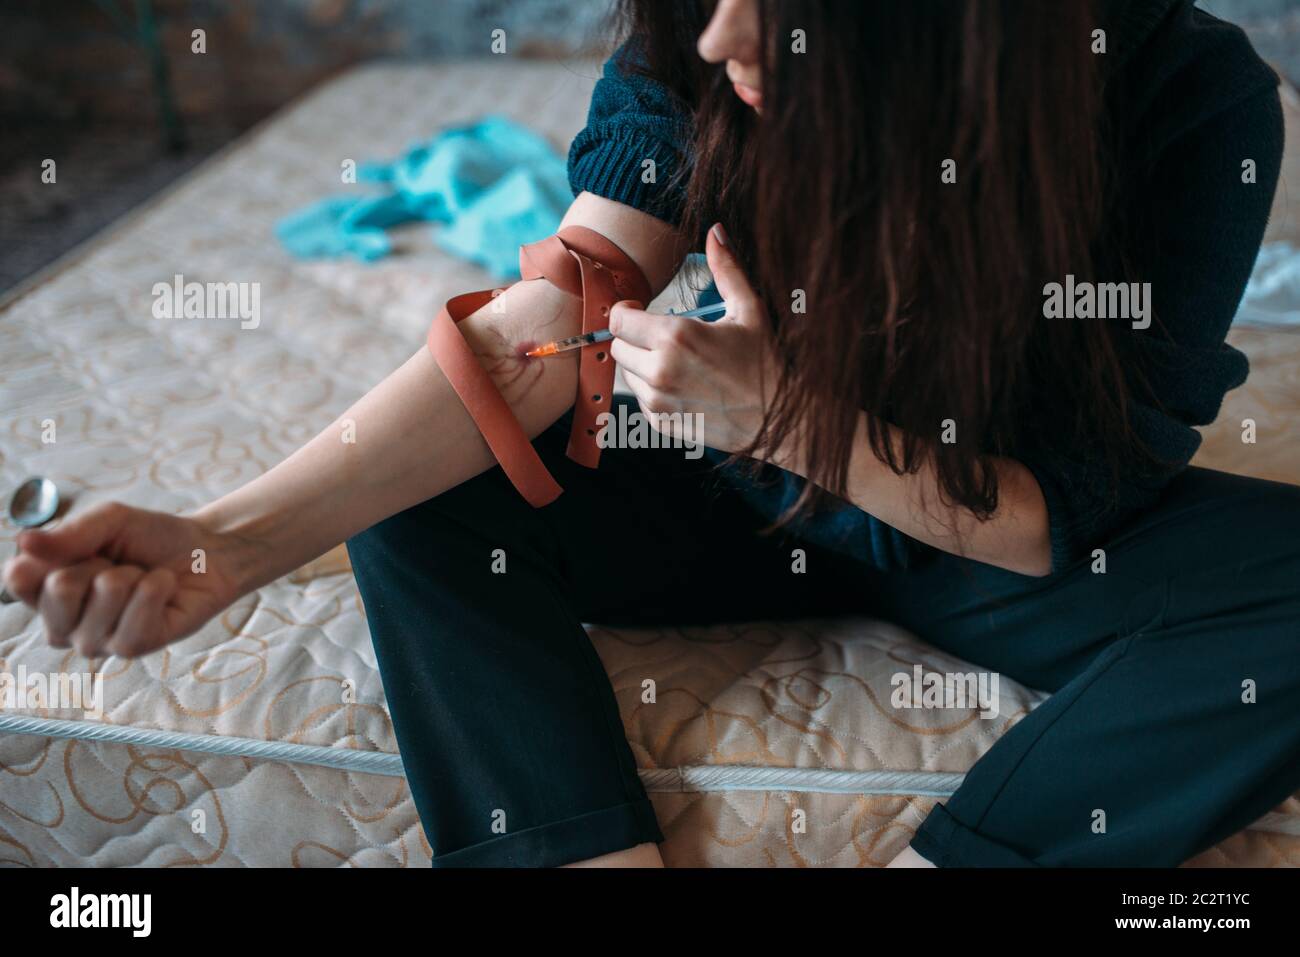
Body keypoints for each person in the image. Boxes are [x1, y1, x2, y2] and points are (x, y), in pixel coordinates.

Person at [5, 0, 1297, 868]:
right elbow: (548, 320)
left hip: (984, 520)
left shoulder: (1193, 101)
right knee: (428, 487)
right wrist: (223, 543)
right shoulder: (703, 37)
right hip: (741, 477)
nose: (721, 26)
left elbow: (1051, 520)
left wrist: (797, 420)